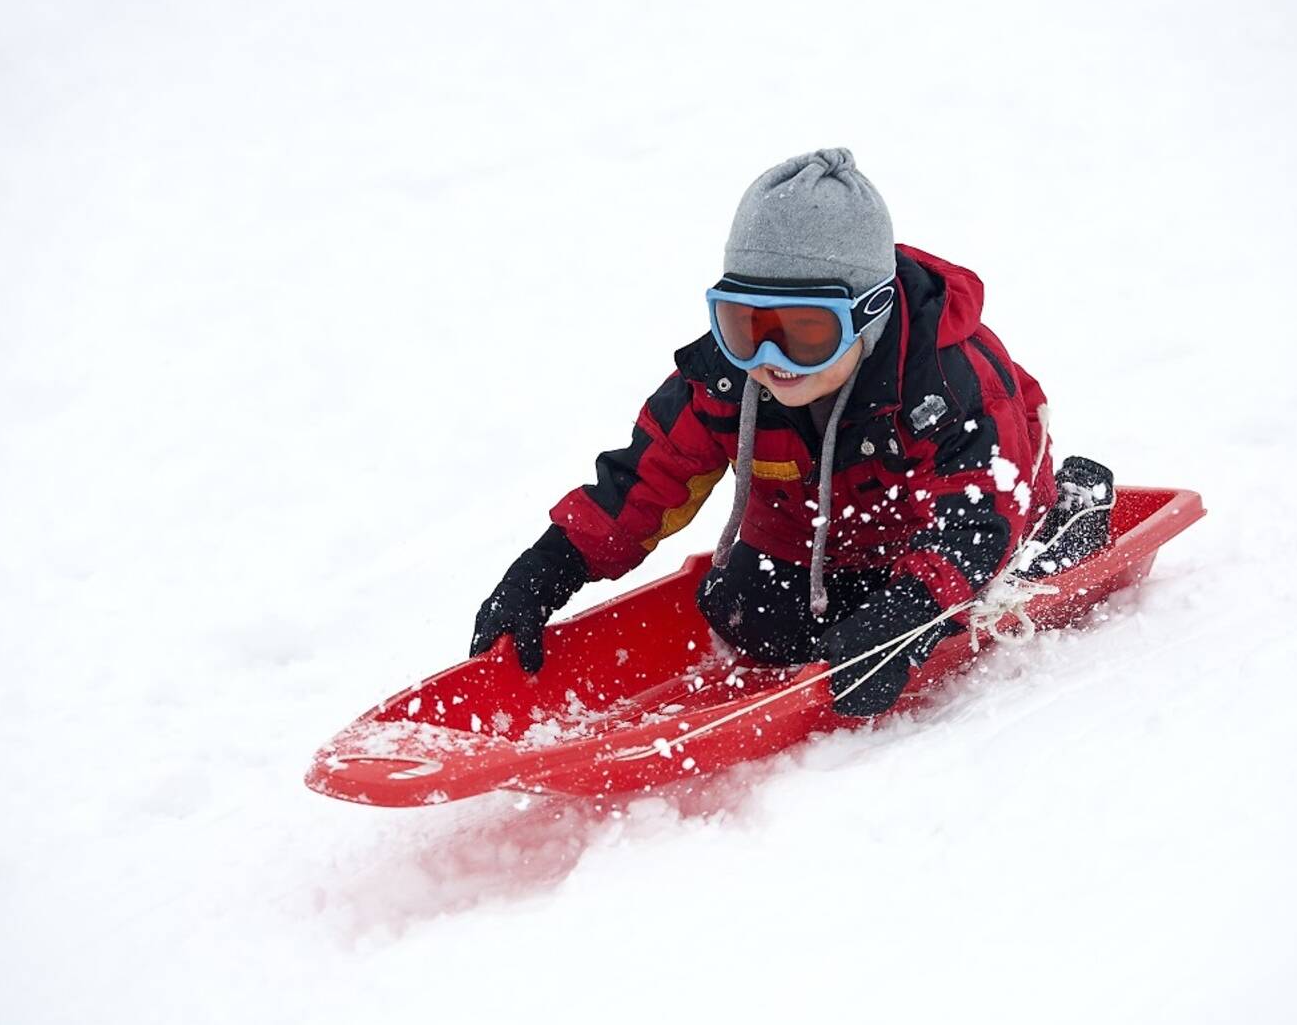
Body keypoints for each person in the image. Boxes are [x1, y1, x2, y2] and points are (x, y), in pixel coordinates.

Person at [470, 148, 1113, 717]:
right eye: (745, 325)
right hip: (821, 539)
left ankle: (1069, 517)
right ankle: (864, 604)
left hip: (969, 523)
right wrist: (549, 568)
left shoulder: (949, 383)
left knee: (978, 590)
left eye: (805, 332)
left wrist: (908, 618)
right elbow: (646, 479)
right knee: (750, 619)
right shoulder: (728, 378)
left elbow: (976, 521)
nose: (771, 358)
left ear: (868, 315)